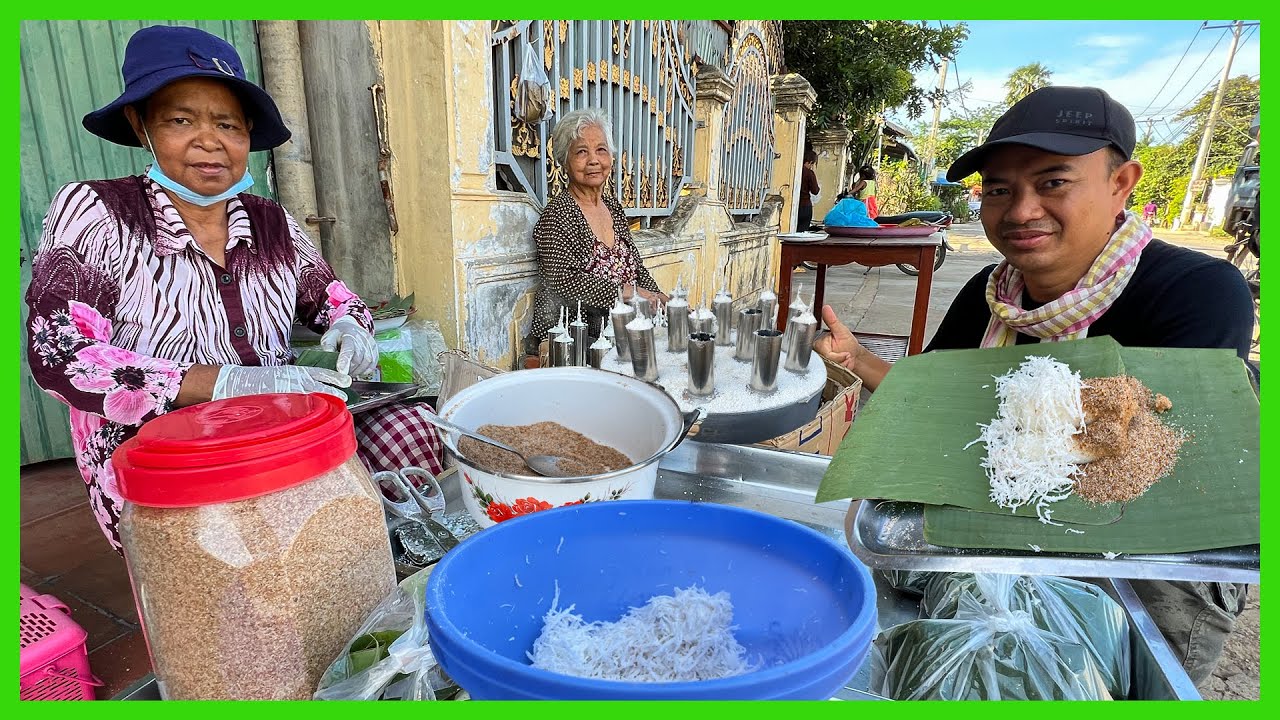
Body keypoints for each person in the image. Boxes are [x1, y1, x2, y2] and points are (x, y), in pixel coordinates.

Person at [814, 86, 1254, 689]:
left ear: (1122, 182)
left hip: (1143, 568)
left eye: (1053, 182)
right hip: (992, 550)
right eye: (999, 189)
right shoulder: (988, 297)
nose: (1020, 211)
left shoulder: (1195, 291)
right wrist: (860, 360)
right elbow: (936, 404)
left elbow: (1145, 462)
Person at [25, 25, 443, 553]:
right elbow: (61, 353)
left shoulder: (271, 222)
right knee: (244, 572)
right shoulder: (99, 213)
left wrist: (348, 327)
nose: (210, 141)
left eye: (228, 124)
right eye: (181, 120)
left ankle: (388, 568)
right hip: (166, 458)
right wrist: (222, 384)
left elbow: (334, 298)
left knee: (412, 427)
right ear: (141, 125)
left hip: (277, 435)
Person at [526, 108, 669, 350]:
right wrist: (626, 292)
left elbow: (635, 268)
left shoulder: (613, 207)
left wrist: (664, 298)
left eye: (601, 150)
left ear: (611, 158)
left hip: (622, 329)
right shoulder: (558, 215)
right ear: (564, 161)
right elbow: (564, 283)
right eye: (581, 152)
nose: (593, 160)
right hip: (574, 338)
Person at [795, 150, 820, 232]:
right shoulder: (809, 173)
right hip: (805, 206)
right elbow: (815, 191)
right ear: (811, 162)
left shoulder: (795, 170)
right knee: (802, 231)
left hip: (795, 205)